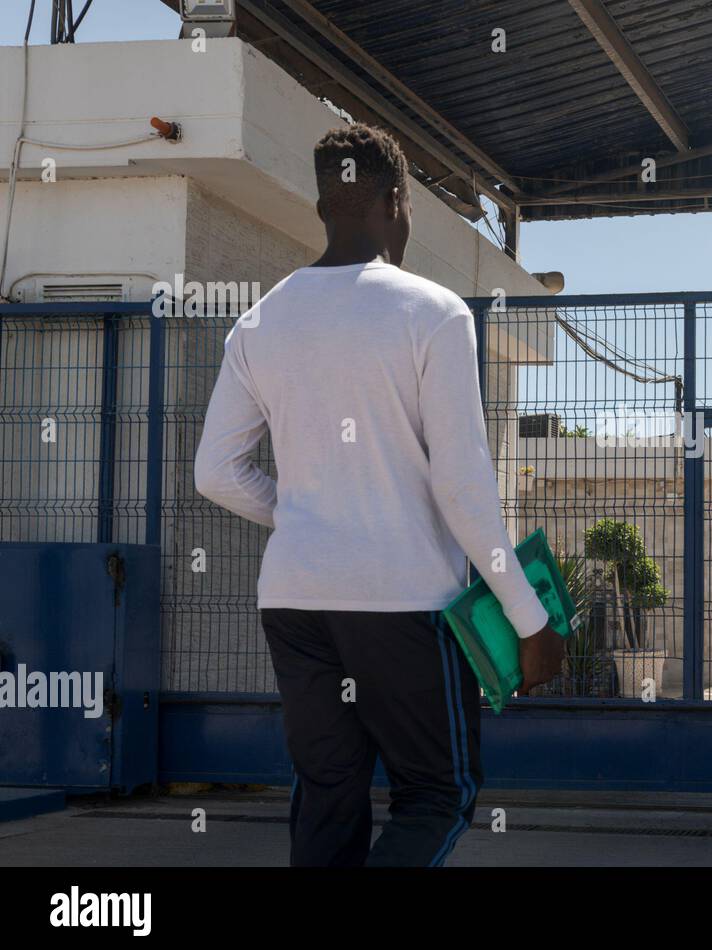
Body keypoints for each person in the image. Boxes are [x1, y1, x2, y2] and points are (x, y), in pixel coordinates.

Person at [194, 124, 566, 867]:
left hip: (296, 602)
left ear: (325, 203)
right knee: (438, 792)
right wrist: (530, 618)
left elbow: (215, 472)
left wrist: (304, 515)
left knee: (328, 794)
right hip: (402, 607)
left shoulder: (258, 322)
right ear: (396, 203)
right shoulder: (433, 314)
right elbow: (462, 489)